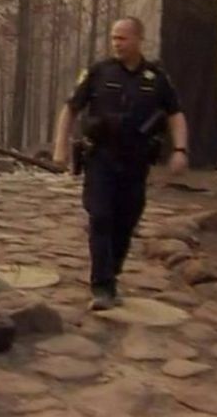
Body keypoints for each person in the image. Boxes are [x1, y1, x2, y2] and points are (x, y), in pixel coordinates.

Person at [52, 17, 189, 311]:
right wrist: (60, 147)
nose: (117, 43)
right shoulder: (98, 72)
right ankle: (102, 287)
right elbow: (71, 108)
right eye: (114, 38)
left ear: (139, 39)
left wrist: (180, 149)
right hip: (101, 158)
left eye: (123, 38)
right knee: (100, 217)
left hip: (136, 162)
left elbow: (175, 115)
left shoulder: (157, 78)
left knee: (125, 221)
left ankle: (111, 270)